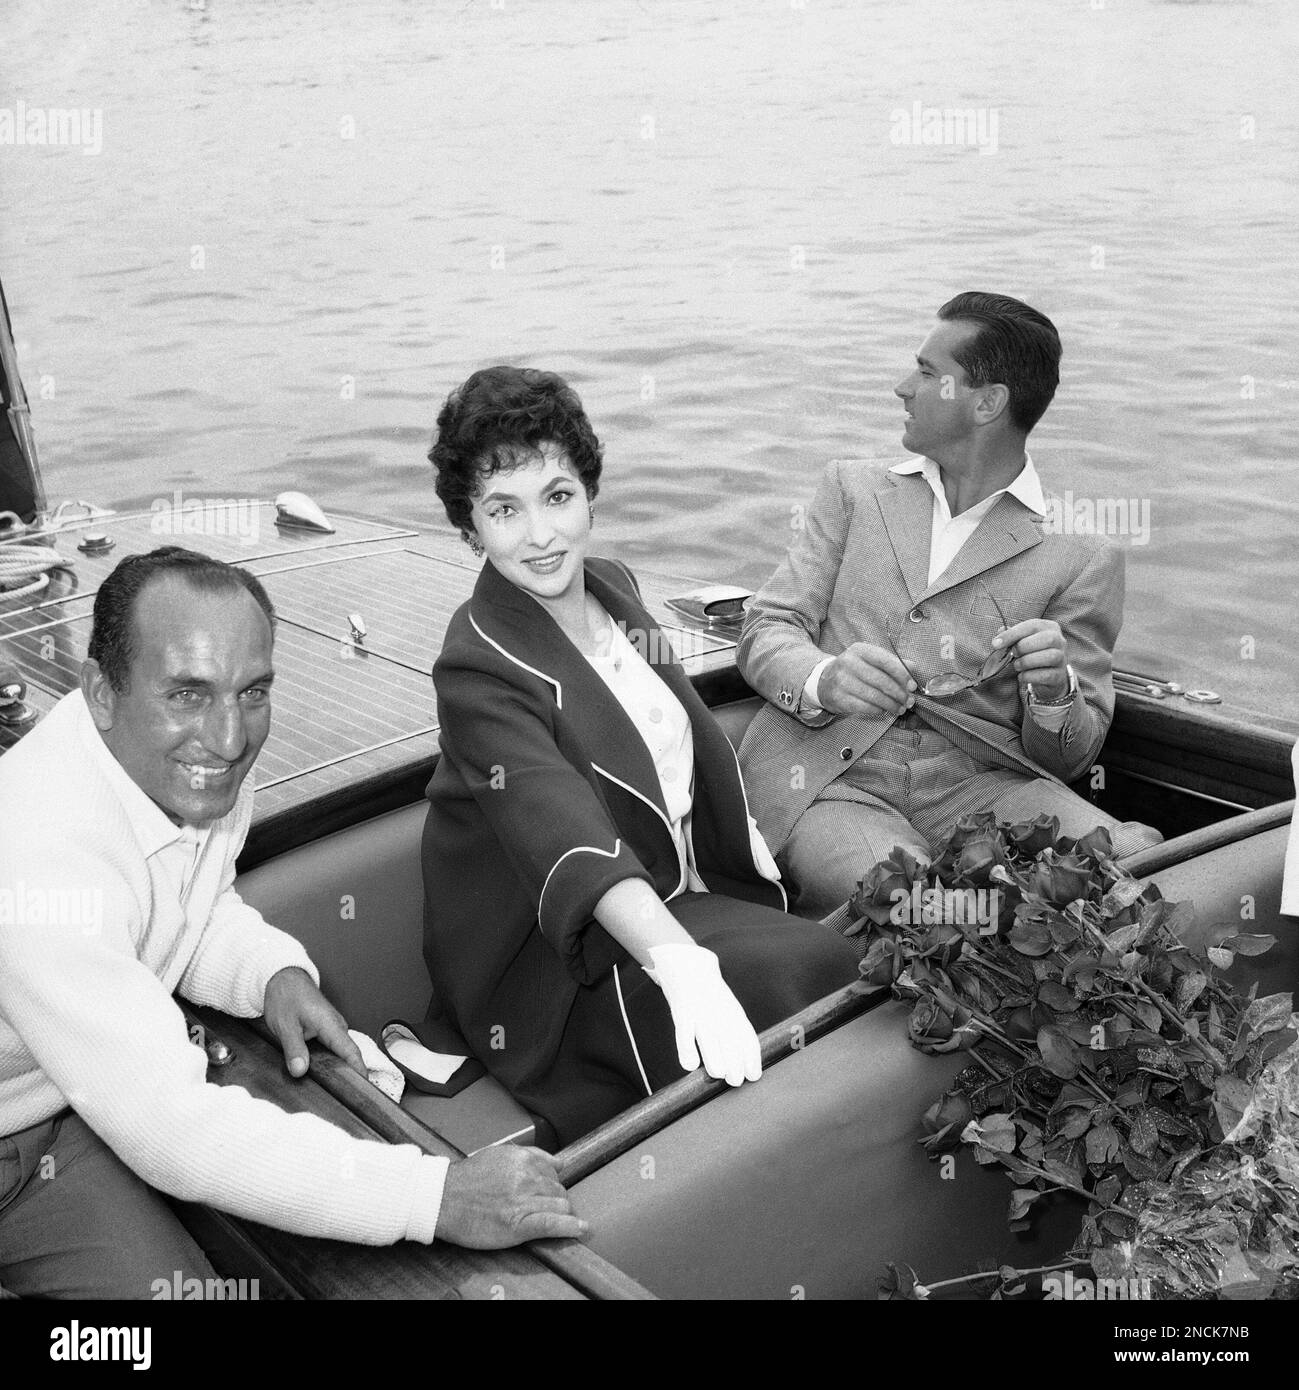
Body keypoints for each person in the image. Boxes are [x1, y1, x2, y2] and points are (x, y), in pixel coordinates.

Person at [0, 547, 585, 1300]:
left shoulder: (182, 771)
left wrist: (269, 974)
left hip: (54, 1120)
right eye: (186, 693)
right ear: (100, 692)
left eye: (253, 692)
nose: (230, 738)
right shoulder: (37, 854)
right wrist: (437, 1197)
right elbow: (174, 1130)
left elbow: (191, 903)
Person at [419, 366, 859, 1147]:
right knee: (784, 987)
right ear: (469, 531)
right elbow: (556, 823)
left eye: (557, 496)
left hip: (679, 892)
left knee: (839, 967)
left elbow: (672, 742)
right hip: (553, 960)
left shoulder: (614, 588)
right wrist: (677, 963)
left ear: (588, 493)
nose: (541, 534)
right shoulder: (474, 665)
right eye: (503, 511)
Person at [737, 291, 1162, 920]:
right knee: (915, 909)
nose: (903, 387)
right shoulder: (851, 490)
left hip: (984, 787)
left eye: (929, 373)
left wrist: (1052, 691)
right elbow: (768, 628)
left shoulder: (1083, 554)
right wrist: (825, 679)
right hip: (832, 782)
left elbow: (1071, 757)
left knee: (1134, 882)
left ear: (987, 402)